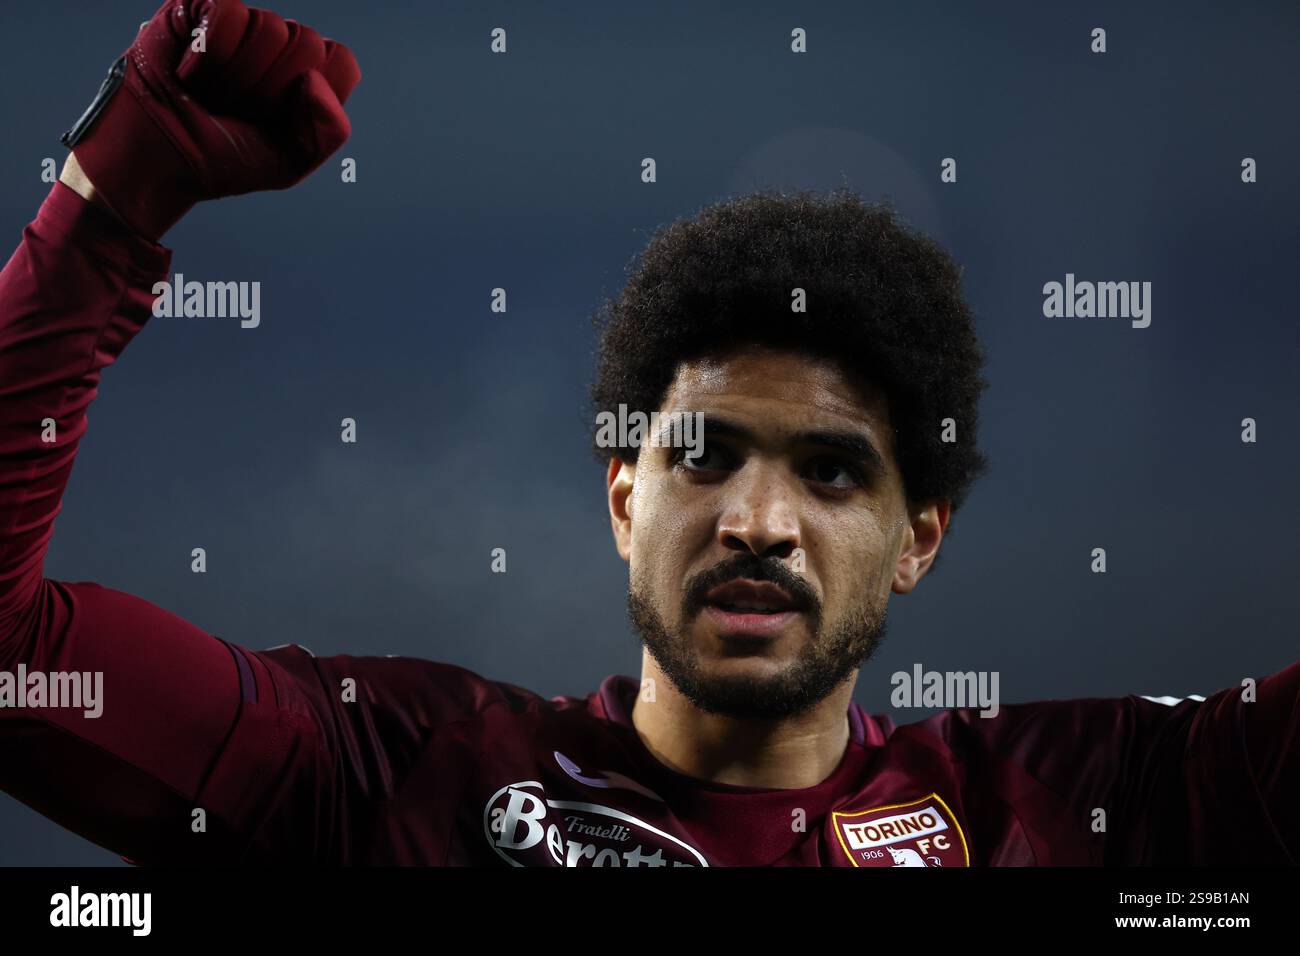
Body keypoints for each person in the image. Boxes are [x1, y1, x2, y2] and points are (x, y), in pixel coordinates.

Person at [1, 0, 1295, 866]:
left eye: (833, 471)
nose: (755, 521)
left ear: (918, 540)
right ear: (625, 499)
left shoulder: (1082, 807)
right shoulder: (390, 770)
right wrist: (107, 208)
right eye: (705, 455)